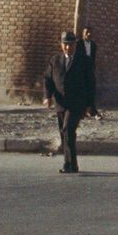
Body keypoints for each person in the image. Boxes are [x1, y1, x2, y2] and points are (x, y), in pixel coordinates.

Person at [43, 31, 94, 174]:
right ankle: (73, 164)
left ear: (75, 45)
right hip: (61, 103)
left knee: (68, 130)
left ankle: (68, 164)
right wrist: (48, 96)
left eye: (70, 45)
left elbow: (91, 84)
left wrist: (90, 105)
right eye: (65, 45)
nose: (67, 48)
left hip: (77, 103)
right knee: (63, 133)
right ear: (61, 45)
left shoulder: (84, 61)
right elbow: (48, 79)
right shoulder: (55, 60)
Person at [76, 26, 101, 118]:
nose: (89, 34)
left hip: (89, 70)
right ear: (83, 33)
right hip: (81, 71)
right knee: (81, 90)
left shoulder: (93, 45)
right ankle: (81, 111)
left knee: (91, 89)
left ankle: (91, 110)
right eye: (86, 32)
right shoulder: (78, 44)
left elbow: (93, 58)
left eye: (90, 32)